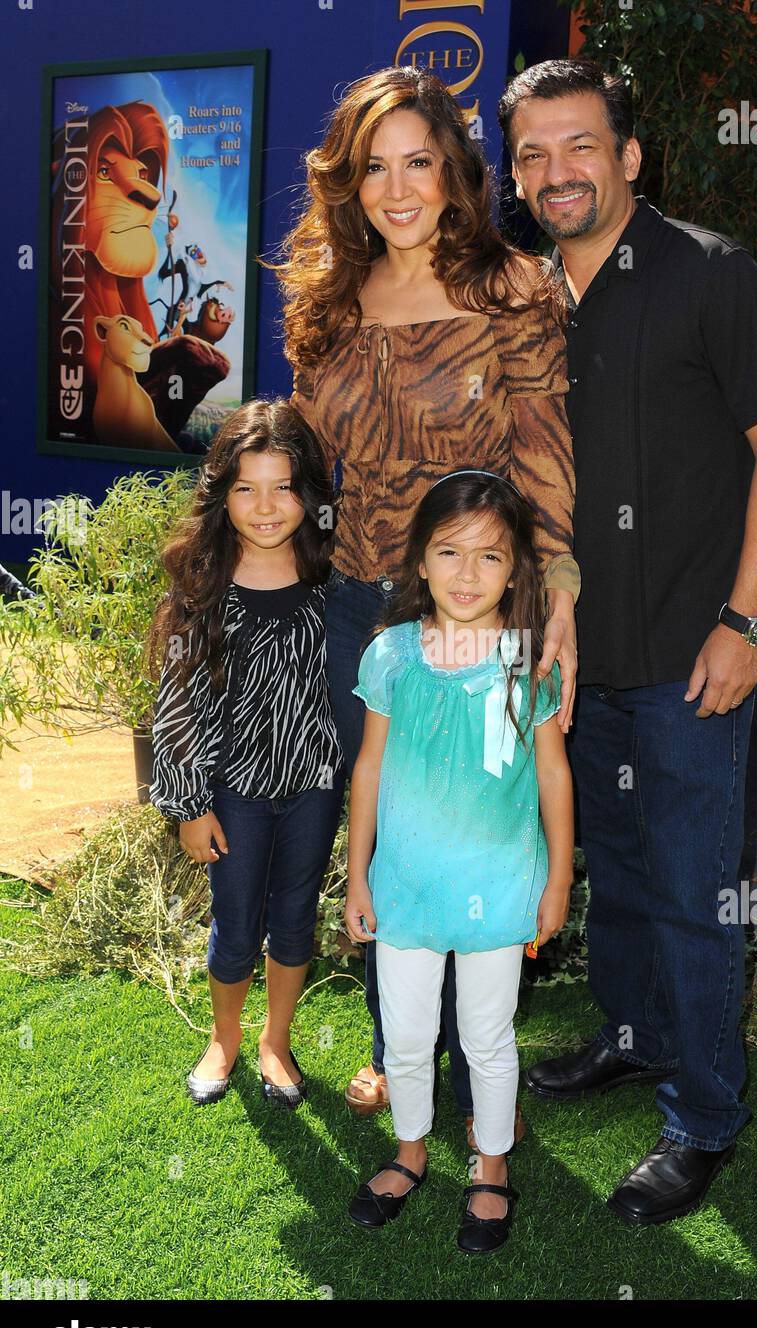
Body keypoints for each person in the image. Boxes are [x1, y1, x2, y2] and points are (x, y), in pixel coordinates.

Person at [497, 59, 757, 1223]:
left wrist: (744, 622)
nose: (556, 172)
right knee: (616, 873)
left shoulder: (708, 272)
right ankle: (632, 1036)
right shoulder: (522, 296)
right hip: (575, 660)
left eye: (579, 145)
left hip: (694, 655)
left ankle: (704, 1118)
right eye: (532, 154)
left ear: (629, 157)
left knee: (690, 892)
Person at [270, 66, 580, 1135]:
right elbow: (304, 461)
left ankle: (478, 1056)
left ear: (453, 173)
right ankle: (395, 1045)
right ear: (347, 183)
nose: (397, 189)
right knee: (391, 826)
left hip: (477, 610)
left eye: (418, 163)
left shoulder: (514, 290)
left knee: (479, 822)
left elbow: (544, 454)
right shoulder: (327, 301)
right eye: (374, 168)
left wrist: (557, 591)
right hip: (360, 609)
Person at [343, 470, 574, 1253]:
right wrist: (357, 875)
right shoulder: (390, 655)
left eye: (489, 556)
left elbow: (552, 776)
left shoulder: (527, 663)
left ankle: (492, 1164)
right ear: (419, 560)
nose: (466, 574)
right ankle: (409, 1153)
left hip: (498, 890)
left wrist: (557, 879)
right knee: (406, 1037)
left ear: (515, 571)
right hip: (404, 889)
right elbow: (368, 768)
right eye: (449, 552)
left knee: (487, 1037)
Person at [148, 399, 344, 1107]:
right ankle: (224, 1036)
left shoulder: (333, 578)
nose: (265, 508)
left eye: (283, 488)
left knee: (295, 917)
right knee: (234, 922)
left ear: (308, 493)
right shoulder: (203, 584)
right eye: (245, 489)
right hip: (232, 791)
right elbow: (177, 702)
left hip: (313, 784)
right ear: (221, 494)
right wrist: (188, 804)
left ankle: (276, 1039)